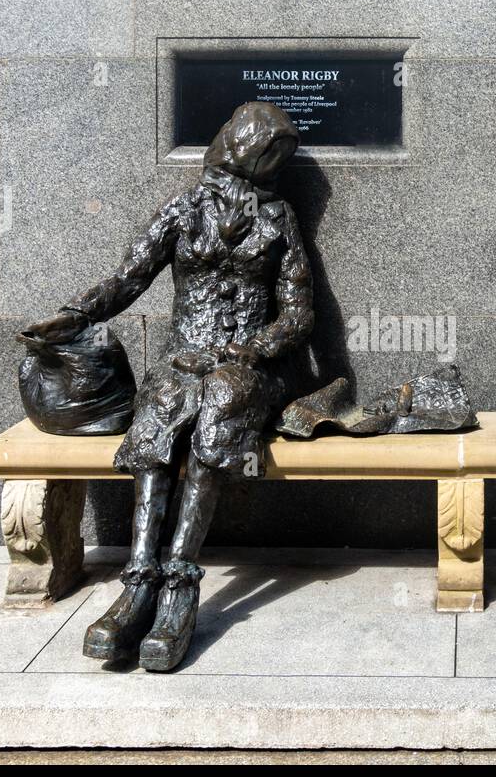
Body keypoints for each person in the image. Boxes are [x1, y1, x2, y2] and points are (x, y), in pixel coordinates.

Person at [23, 102, 313, 671]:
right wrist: (75, 314)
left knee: (221, 407)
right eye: (242, 143)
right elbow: (129, 277)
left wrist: (254, 348)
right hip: (183, 358)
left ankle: (180, 586)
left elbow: (299, 317)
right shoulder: (183, 209)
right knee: (161, 411)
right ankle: (137, 586)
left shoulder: (280, 221)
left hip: (245, 367)